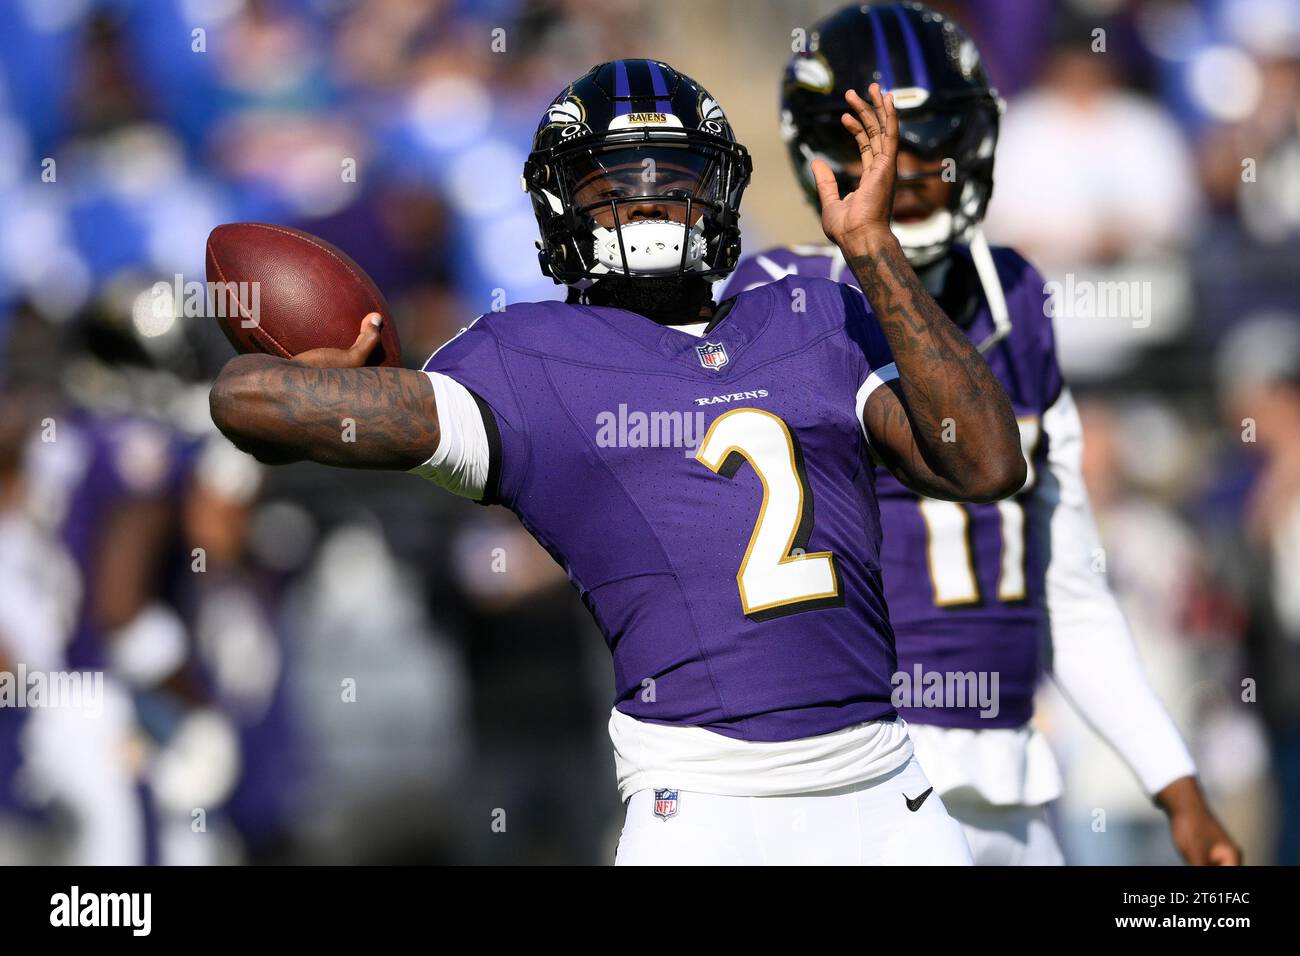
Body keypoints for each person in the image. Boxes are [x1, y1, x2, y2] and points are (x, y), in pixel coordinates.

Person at [211, 58, 1026, 865]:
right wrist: (312, 378)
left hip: (890, 796)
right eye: (613, 187)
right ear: (562, 207)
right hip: (703, 811)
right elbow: (246, 403)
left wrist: (874, 250)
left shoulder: (814, 310)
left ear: (719, 192)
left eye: (673, 179)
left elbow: (987, 463)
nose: (648, 205)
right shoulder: (525, 360)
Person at [722, 3, 1239, 865]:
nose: (916, 171)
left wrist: (1174, 782)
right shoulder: (785, 298)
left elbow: (1067, 586)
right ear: (823, 155)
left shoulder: (1017, 300)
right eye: (888, 147)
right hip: (860, 774)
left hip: (1009, 773)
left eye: (936, 142)